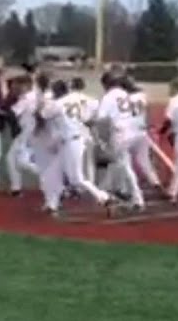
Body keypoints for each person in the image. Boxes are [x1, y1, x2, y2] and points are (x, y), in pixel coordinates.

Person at [37, 79, 112, 215]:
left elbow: (42, 114)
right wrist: (87, 117)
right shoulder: (77, 97)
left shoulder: (58, 103)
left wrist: (43, 102)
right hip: (72, 140)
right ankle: (52, 204)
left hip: (72, 142)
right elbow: (95, 105)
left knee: (76, 178)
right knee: (50, 174)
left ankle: (103, 196)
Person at [96, 72, 146, 212]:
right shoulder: (125, 94)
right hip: (133, 131)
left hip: (121, 133)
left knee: (124, 165)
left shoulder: (108, 97)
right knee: (119, 163)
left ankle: (137, 198)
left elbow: (102, 120)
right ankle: (116, 189)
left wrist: (102, 139)